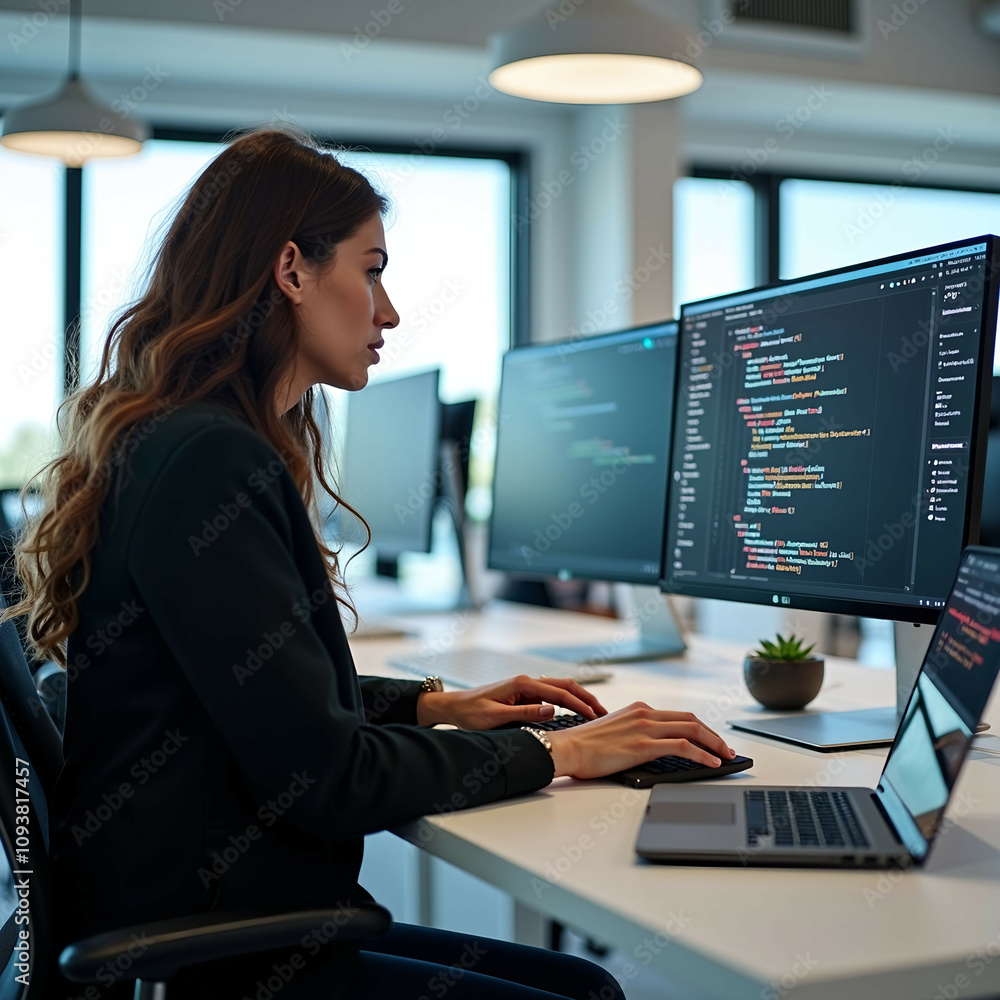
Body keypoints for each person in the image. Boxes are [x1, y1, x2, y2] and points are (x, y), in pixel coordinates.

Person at [5, 122, 735, 1000]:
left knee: (577, 984)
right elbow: (330, 779)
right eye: (374, 268)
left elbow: (264, 700)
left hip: (177, 916)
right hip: (208, 954)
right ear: (291, 270)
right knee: (586, 993)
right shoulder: (210, 460)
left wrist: (435, 702)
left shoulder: (179, 439)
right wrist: (561, 753)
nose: (388, 310)